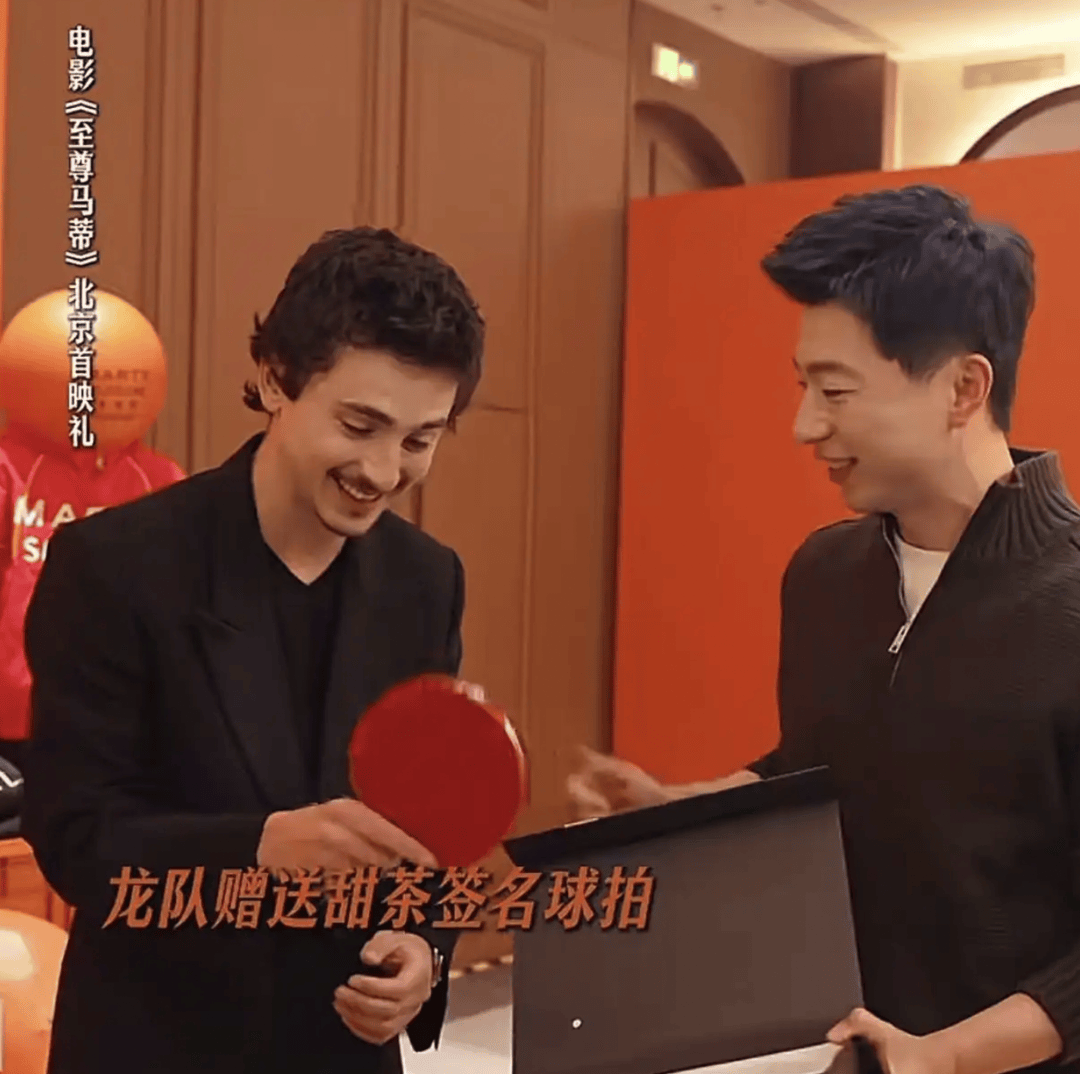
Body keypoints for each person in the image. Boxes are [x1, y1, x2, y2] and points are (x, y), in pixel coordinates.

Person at [570, 185, 1080, 1074]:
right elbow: (824, 769)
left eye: (836, 391)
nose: (805, 424)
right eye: (803, 385)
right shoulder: (824, 574)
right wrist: (686, 809)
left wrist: (945, 1057)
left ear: (964, 388)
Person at [22, 227, 485, 1074]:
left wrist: (422, 948)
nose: (384, 472)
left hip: (342, 1049)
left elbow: (430, 824)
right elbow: (76, 833)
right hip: (154, 1044)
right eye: (360, 424)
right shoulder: (117, 565)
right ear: (275, 378)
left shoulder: (426, 581)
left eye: (421, 440)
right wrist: (261, 848)